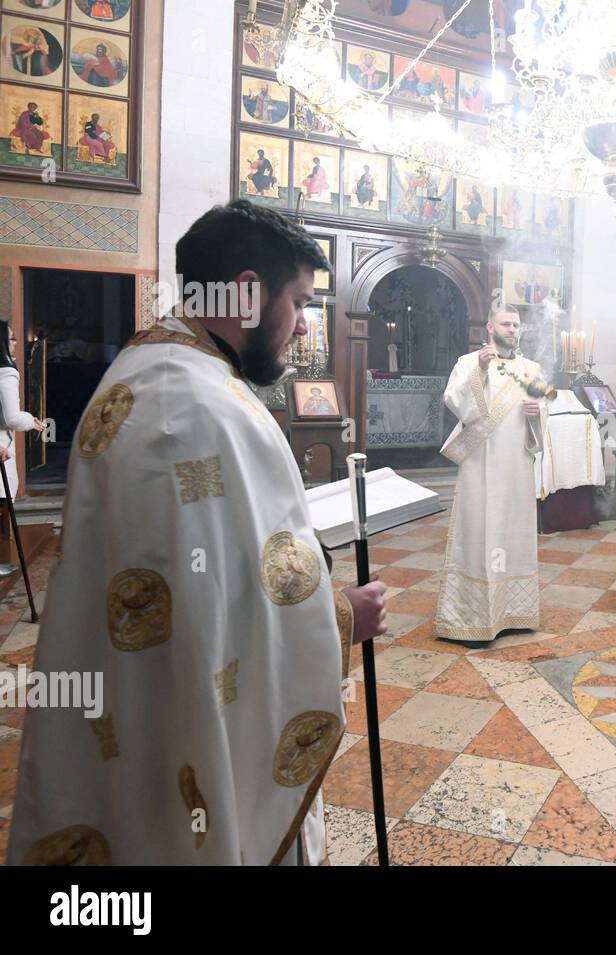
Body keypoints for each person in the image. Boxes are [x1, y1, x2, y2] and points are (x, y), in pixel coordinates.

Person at [6, 200, 388, 865]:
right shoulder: (199, 409)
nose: (303, 327)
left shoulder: (151, 368)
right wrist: (337, 615)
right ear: (245, 292)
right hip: (186, 725)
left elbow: (210, 581)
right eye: (298, 303)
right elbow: (218, 614)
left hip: (140, 714)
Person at [436, 308, 547, 645]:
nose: (512, 330)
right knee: (480, 532)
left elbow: (542, 411)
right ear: (490, 328)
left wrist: (536, 414)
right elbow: (457, 404)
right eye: (505, 324)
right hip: (481, 467)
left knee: (513, 531)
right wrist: (480, 372)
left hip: (516, 468)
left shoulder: (531, 370)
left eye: (516, 325)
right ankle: (475, 617)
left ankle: (514, 612)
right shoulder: (468, 362)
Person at [0, 322, 47, 576]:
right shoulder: (6, 372)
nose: (16, 343)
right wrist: (31, 421)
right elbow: (11, 418)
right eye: (11, 339)